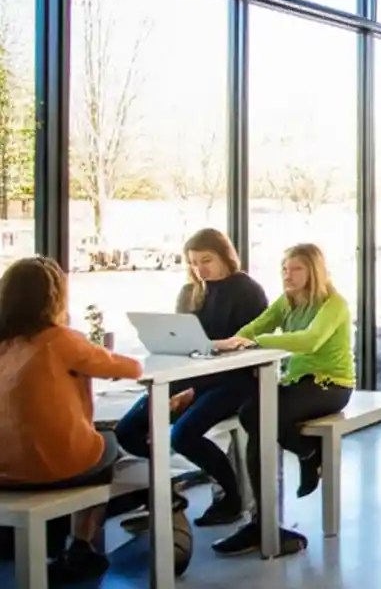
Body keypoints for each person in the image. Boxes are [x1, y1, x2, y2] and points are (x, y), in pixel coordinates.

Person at [113, 228, 269, 527]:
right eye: (193, 263)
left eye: (206, 260)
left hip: (233, 379)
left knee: (183, 434)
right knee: (127, 432)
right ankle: (166, 489)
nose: (200, 269)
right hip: (191, 374)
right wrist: (177, 386)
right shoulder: (190, 292)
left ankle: (232, 496)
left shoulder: (247, 291)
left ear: (226, 256)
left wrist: (192, 392)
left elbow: (248, 350)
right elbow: (183, 344)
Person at [0, 257, 142, 582]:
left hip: (4, 469)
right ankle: (81, 543)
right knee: (109, 443)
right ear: (54, 297)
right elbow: (129, 368)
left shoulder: (5, 343)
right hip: (52, 467)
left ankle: (66, 540)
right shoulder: (59, 339)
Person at [211, 243, 354, 557]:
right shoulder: (286, 302)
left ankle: (302, 462)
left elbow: (309, 340)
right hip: (297, 382)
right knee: (251, 414)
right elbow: (256, 325)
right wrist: (235, 341)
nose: (288, 276)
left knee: (261, 416)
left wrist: (254, 342)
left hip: (331, 385)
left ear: (313, 271)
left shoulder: (334, 304)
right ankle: (265, 516)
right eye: (285, 270)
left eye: (297, 269)